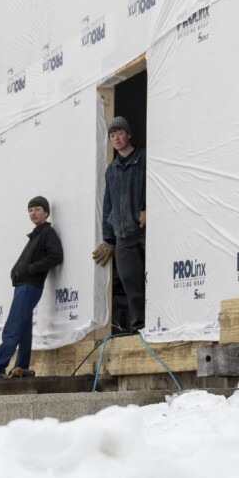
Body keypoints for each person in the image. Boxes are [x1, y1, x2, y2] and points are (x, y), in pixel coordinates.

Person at [0, 196, 64, 379]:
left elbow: (56, 256)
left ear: (46, 212)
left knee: (12, 328)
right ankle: (21, 367)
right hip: (24, 285)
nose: (33, 213)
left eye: (37, 209)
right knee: (23, 329)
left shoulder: (47, 233)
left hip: (29, 286)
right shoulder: (37, 234)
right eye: (30, 210)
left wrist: (30, 269)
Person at [93, 117, 145, 332]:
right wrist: (108, 239)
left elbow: (157, 185)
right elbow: (108, 206)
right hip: (122, 236)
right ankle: (139, 327)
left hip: (144, 230)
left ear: (129, 134)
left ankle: (158, 322)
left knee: (153, 279)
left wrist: (150, 208)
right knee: (131, 285)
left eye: (120, 133)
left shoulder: (144, 158)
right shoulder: (111, 170)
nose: (116, 138)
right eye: (112, 135)